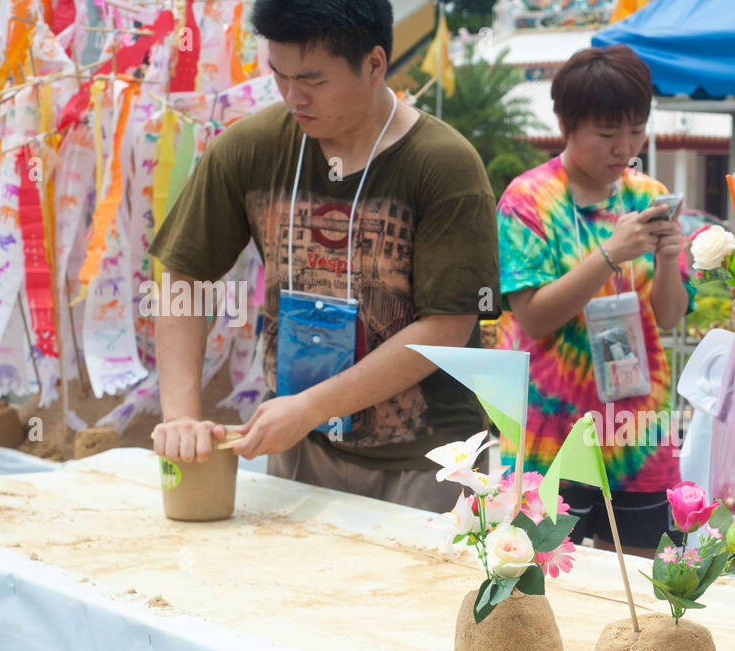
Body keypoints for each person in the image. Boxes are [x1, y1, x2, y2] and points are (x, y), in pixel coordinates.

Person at [150, 0, 498, 511]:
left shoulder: (443, 166)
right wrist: (180, 415)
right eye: (280, 75)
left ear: (375, 63)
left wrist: (311, 406)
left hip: (428, 464)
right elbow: (184, 277)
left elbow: (448, 326)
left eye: (312, 80)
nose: (293, 96)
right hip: (297, 446)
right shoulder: (252, 148)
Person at [497, 45, 690, 558]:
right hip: (553, 434)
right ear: (565, 123)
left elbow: (670, 316)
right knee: (549, 577)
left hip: (639, 432)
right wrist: (608, 254)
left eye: (636, 130)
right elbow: (533, 318)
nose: (624, 147)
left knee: (643, 589)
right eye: (607, 133)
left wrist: (669, 258)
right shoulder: (528, 200)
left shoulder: (647, 194)